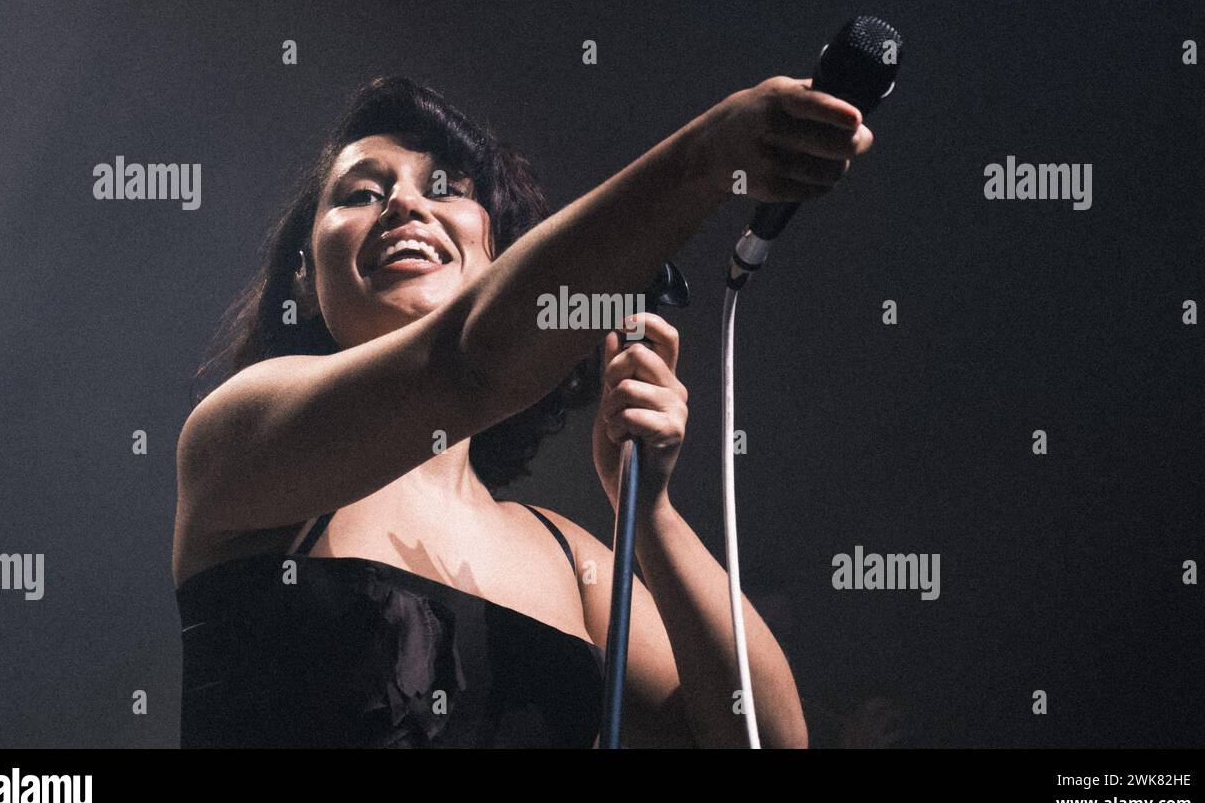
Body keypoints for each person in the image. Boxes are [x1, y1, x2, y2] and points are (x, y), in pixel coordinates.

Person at [172, 74, 874, 747]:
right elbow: (467, 367)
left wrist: (650, 512)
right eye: (360, 193)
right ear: (305, 269)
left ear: (498, 256)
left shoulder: (566, 557)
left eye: (446, 188)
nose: (405, 206)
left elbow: (765, 736)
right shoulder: (236, 433)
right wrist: (703, 158)